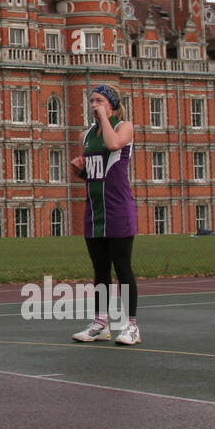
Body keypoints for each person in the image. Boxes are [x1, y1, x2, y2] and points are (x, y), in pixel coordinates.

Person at [69, 84, 140, 345]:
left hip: (118, 209)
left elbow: (112, 145)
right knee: (100, 270)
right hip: (95, 210)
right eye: (91, 101)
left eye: (99, 100)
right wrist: (78, 168)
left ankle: (131, 326)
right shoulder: (85, 136)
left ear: (111, 104)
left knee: (122, 268)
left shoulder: (124, 127)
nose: (93, 105)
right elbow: (90, 172)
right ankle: (101, 323)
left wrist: (105, 119)